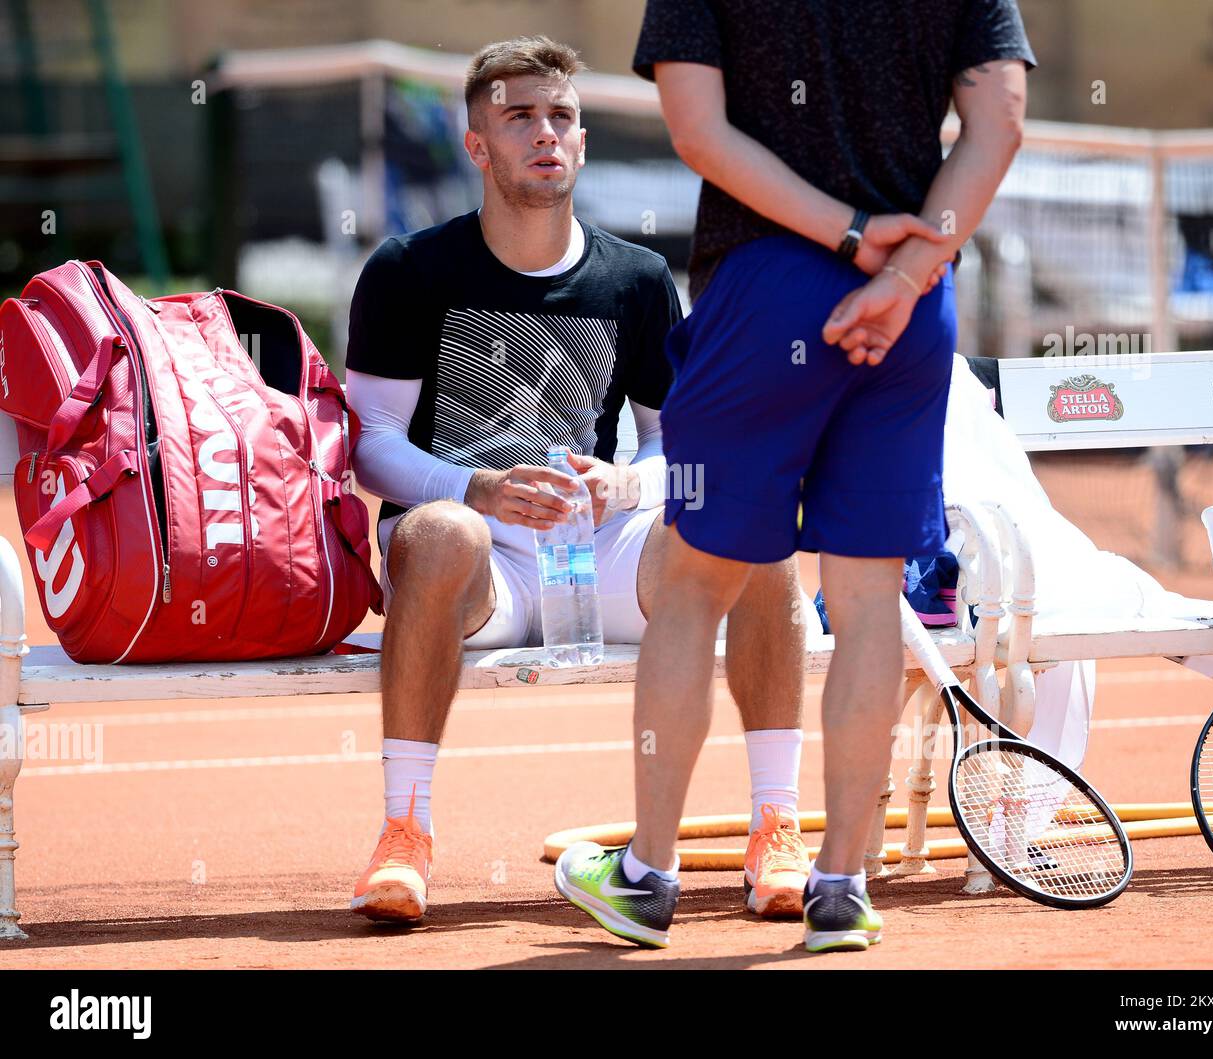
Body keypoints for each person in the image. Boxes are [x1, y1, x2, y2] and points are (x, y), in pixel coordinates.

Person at [555, 1, 1034, 952]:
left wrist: (854, 235)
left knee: (694, 585)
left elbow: (698, 130)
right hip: (915, 305)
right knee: (865, 596)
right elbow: (1000, 126)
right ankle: (841, 887)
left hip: (769, 288)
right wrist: (902, 276)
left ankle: (649, 879)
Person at [345, 35, 850, 925]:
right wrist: (475, 489)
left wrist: (624, 486)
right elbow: (370, 441)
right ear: (477, 144)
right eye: (519, 118)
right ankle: (405, 832)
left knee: (749, 518)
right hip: (475, 564)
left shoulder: (639, 277)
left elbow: (677, 445)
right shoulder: (408, 270)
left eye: (562, 117)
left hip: (600, 550)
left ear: (581, 141)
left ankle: (775, 824)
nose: (546, 134)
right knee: (434, 531)